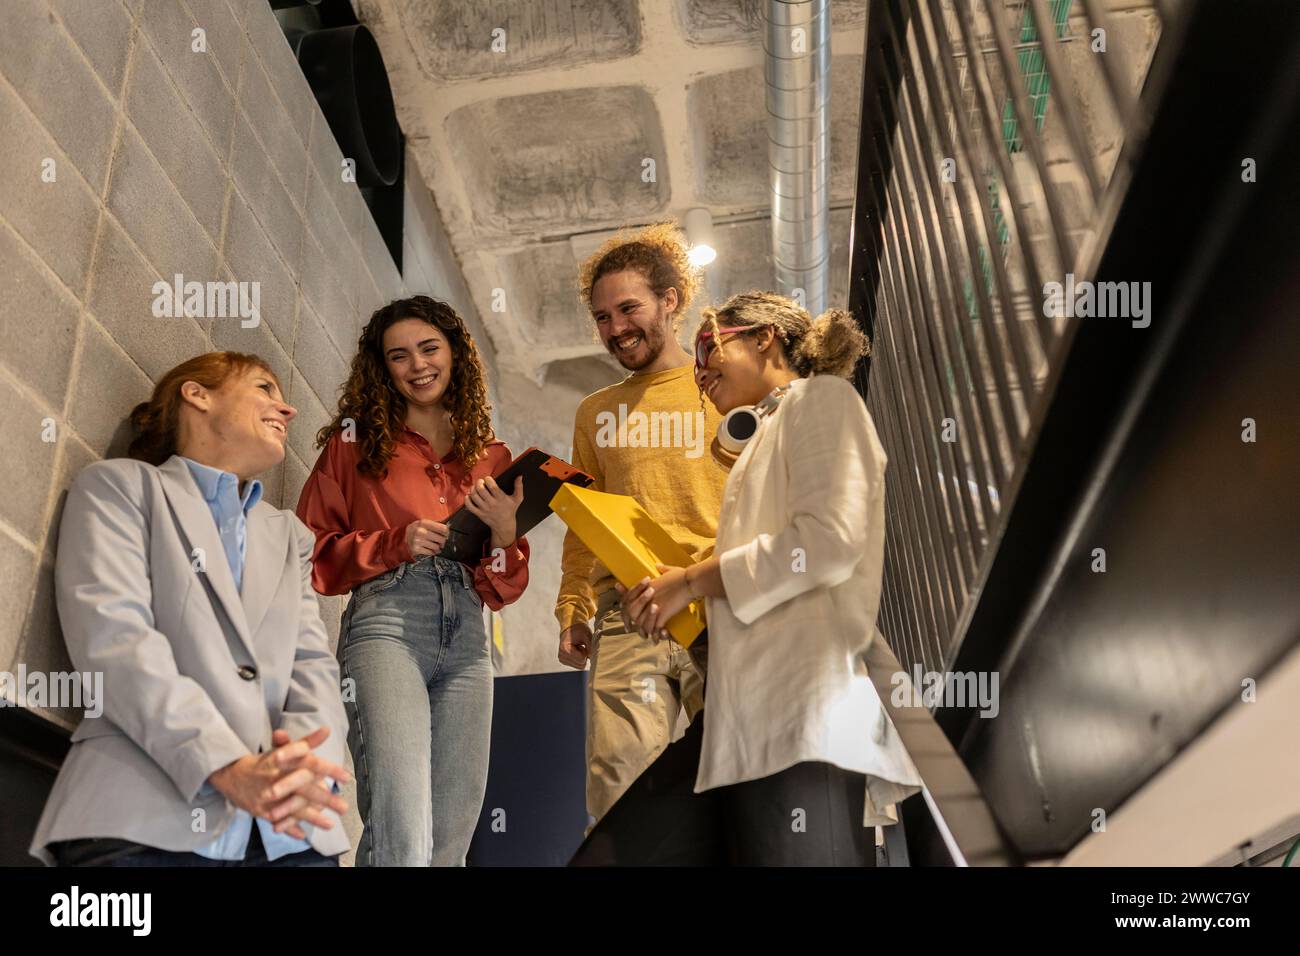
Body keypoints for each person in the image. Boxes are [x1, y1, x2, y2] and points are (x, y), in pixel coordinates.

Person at [573, 292, 922, 866]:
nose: (699, 366)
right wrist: (670, 599)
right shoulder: (760, 442)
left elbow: (826, 544)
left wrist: (689, 581)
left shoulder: (824, 401)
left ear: (763, 337)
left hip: (804, 712)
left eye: (710, 345)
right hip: (735, 720)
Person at [31, 352, 351, 867]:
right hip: (144, 818)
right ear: (197, 394)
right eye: (265, 388)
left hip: (288, 838)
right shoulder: (120, 488)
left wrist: (307, 770)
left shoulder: (289, 535)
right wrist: (224, 764)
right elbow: (115, 642)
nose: (286, 409)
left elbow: (313, 667)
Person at [296, 295, 528, 866]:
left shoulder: (492, 456)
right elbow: (308, 553)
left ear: (455, 354)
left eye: (429, 348)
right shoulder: (355, 444)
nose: (418, 365)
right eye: (399, 356)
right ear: (383, 367)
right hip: (388, 625)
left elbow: (503, 587)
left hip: (469, 640)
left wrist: (503, 533)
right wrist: (394, 543)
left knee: (452, 838)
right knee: (403, 825)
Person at [555, 223, 726, 826]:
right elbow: (583, 517)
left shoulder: (724, 388)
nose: (615, 328)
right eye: (602, 317)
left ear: (671, 299)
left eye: (628, 308)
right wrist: (573, 606)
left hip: (720, 605)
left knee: (735, 778)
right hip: (629, 611)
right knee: (619, 785)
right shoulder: (595, 411)